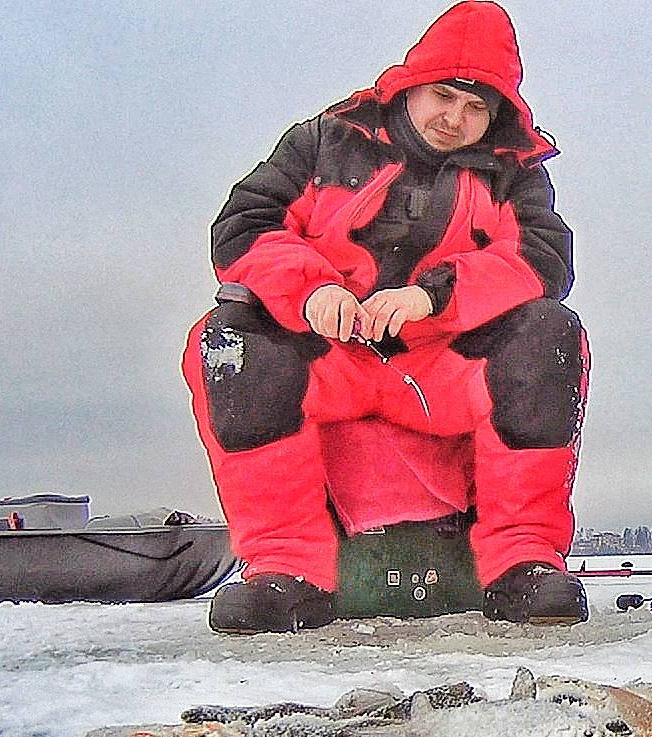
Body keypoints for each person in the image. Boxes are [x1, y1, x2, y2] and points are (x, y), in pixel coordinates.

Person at [181, 1, 591, 633]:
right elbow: (243, 226)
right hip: (330, 357)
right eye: (445, 96)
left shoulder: (514, 174)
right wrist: (312, 289)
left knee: (550, 335)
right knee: (228, 341)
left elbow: (542, 258)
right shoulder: (321, 141)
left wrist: (435, 295)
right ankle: (286, 567)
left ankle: (522, 561)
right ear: (412, 83)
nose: (455, 119)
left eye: (476, 108)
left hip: (441, 369)